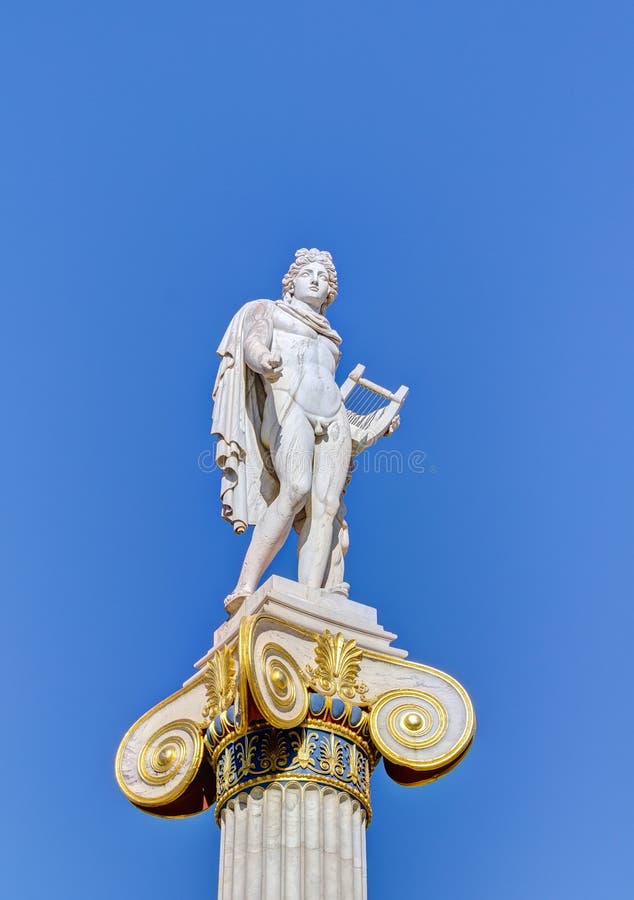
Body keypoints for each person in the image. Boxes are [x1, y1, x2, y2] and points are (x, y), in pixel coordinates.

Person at [212, 248, 351, 612]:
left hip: (334, 414)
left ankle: (313, 599)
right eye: (309, 273)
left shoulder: (332, 337)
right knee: (296, 488)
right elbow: (252, 342)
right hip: (290, 405)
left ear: (329, 294)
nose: (317, 279)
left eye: (324, 277)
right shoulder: (269, 310)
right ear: (292, 282)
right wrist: (263, 358)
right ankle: (245, 585)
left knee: (326, 505)